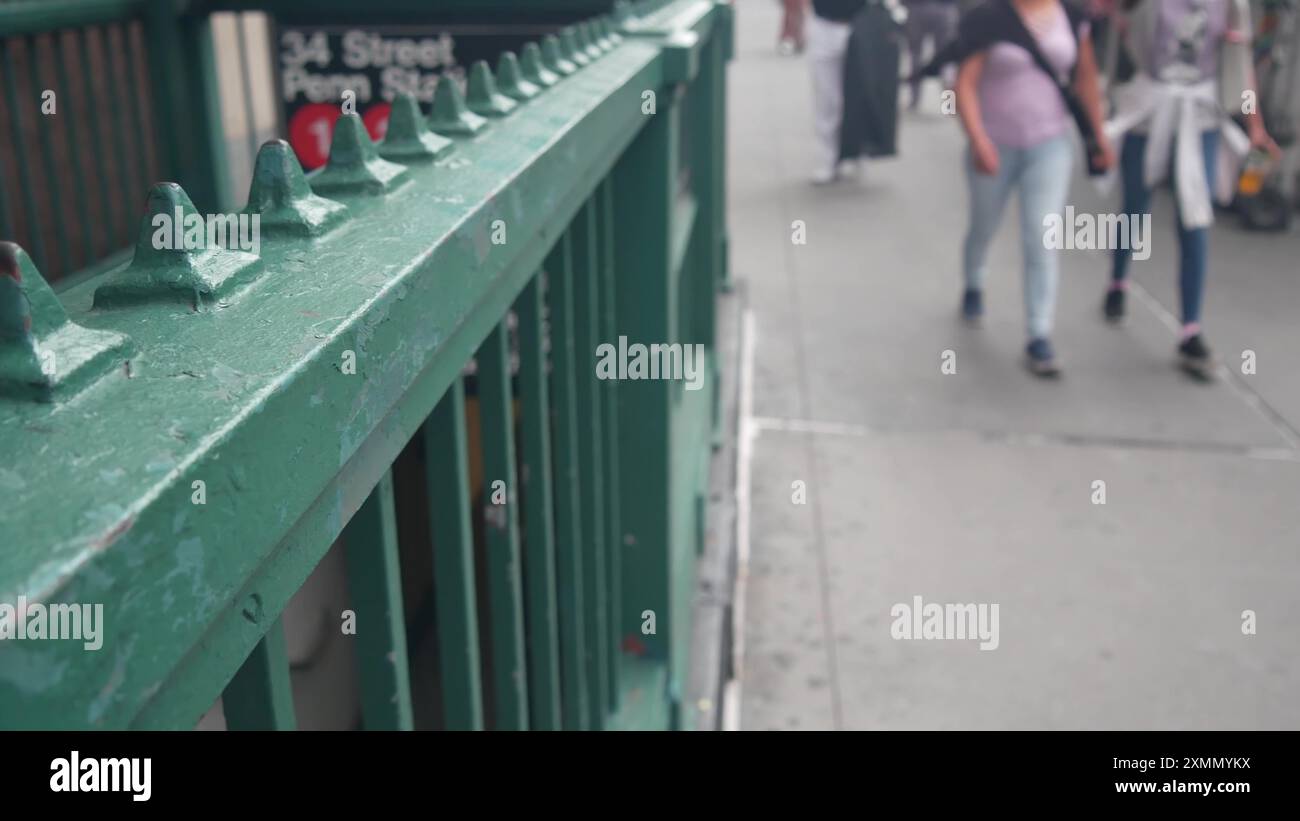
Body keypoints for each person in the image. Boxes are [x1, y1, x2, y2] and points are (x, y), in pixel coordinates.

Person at [1101, 0, 1278, 379]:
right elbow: (1118, 31)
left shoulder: (1231, 6)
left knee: (1195, 219)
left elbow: (1239, 65)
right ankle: (1118, 280)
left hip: (1200, 115)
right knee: (1134, 206)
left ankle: (1191, 329)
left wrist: (1255, 125)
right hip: (1149, 106)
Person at [953, 0, 1112, 376]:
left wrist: (1099, 136)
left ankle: (1039, 332)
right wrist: (977, 138)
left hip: (1049, 145)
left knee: (1042, 234)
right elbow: (965, 82)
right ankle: (974, 282)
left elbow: (1085, 78)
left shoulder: (1072, 18)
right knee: (983, 224)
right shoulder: (989, 17)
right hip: (994, 143)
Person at [808, 0, 867, 183]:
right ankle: (829, 158)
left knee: (858, 96)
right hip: (824, 25)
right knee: (827, 100)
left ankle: (855, 151)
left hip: (857, 24)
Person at [903, 0, 961, 110]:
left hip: (918, 7)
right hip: (943, 8)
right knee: (947, 58)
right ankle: (949, 104)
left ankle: (914, 101)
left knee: (915, 55)